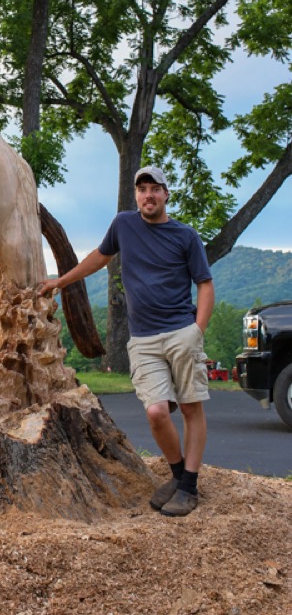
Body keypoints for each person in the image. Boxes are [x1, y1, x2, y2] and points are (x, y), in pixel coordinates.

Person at [38, 166, 214, 517]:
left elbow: (205, 284)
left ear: (166, 195)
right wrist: (61, 281)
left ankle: (189, 486)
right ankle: (179, 475)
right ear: (136, 196)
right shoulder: (123, 225)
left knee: (192, 408)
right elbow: (98, 259)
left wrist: (198, 330)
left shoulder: (186, 236)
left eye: (155, 189)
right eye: (142, 189)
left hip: (182, 332)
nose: (148, 195)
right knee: (156, 412)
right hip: (144, 338)